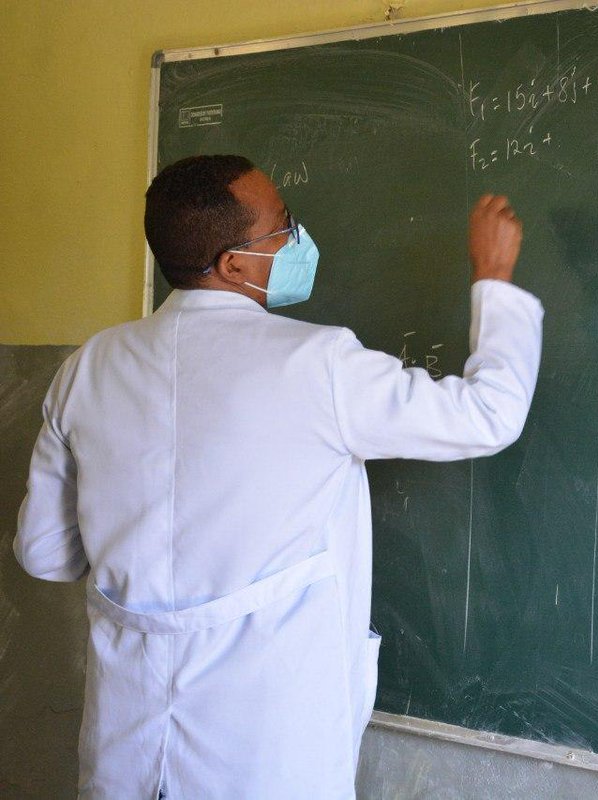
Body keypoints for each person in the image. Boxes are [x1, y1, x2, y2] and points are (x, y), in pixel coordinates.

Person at [13, 154, 543, 798]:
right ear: (234, 265)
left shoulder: (88, 368)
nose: (298, 237)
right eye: (283, 226)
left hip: (128, 745)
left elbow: (44, 554)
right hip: (267, 752)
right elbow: (488, 417)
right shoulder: (316, 365)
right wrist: (495, 279)